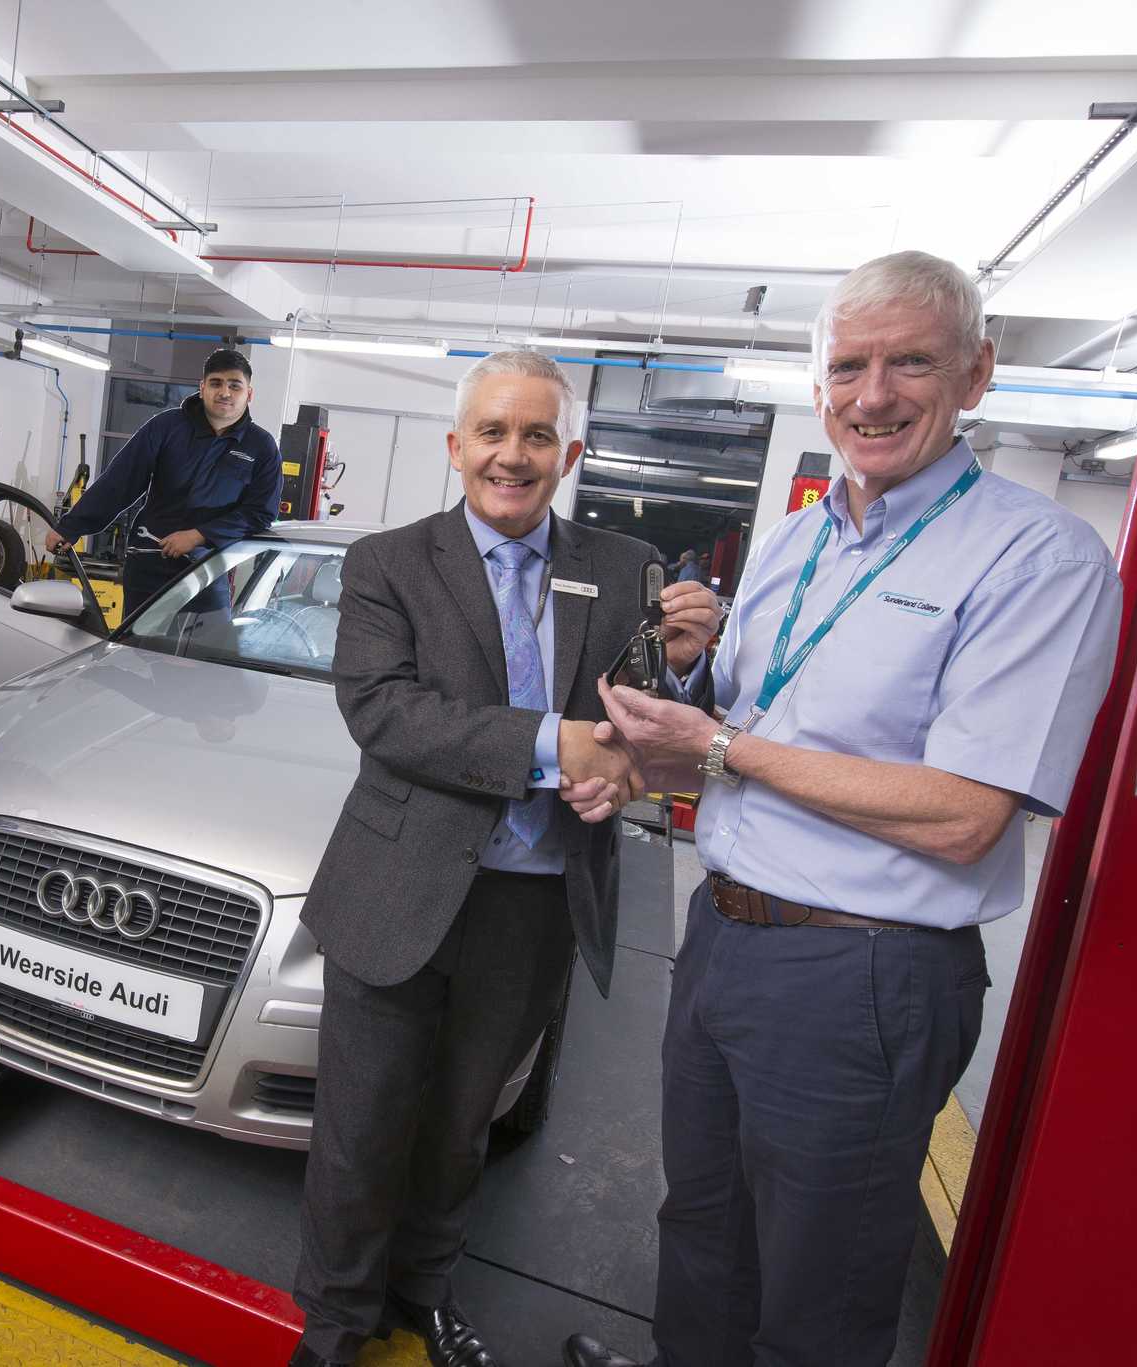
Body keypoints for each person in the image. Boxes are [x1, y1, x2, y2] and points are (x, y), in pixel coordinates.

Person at [561, 251, 1123, 1367]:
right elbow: (729, 749)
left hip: (861, 970)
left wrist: (717, 742)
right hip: (723, 933)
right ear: (817, 385)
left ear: (975, 375)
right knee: (703, 1228)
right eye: (847, 365)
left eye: (908, 362)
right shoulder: (796, 540)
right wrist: (665, 711)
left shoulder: (1034, 556)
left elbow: (966, 813)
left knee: (817, 1284)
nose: (871, 394)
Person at [289, 349, 721, 1367]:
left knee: (459, 1126)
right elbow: (383, 710)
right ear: (455, 446)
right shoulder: (387, 563)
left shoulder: (625, 570)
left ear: (566, 451)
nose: (511, 455)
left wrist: (668, 692)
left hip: (532, 904)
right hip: (395, 892)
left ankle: (423, 1288)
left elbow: (645, 715)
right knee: (359, 1128)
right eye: (491, 431)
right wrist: (550, 744)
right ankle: (335, 1320)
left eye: (535, 434)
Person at [42, 348, 281, 615]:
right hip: (149, 564)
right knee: (137, 652)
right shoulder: (167, 427)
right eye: (216, 383)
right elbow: (120, 482)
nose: (225, 392)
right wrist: (72, 526)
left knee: (203, 651)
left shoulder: (261, 446)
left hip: (208, 571)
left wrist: (198, 536)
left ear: (249, 394)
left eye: (234, 385)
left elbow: (260, 513)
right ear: (202, 388)